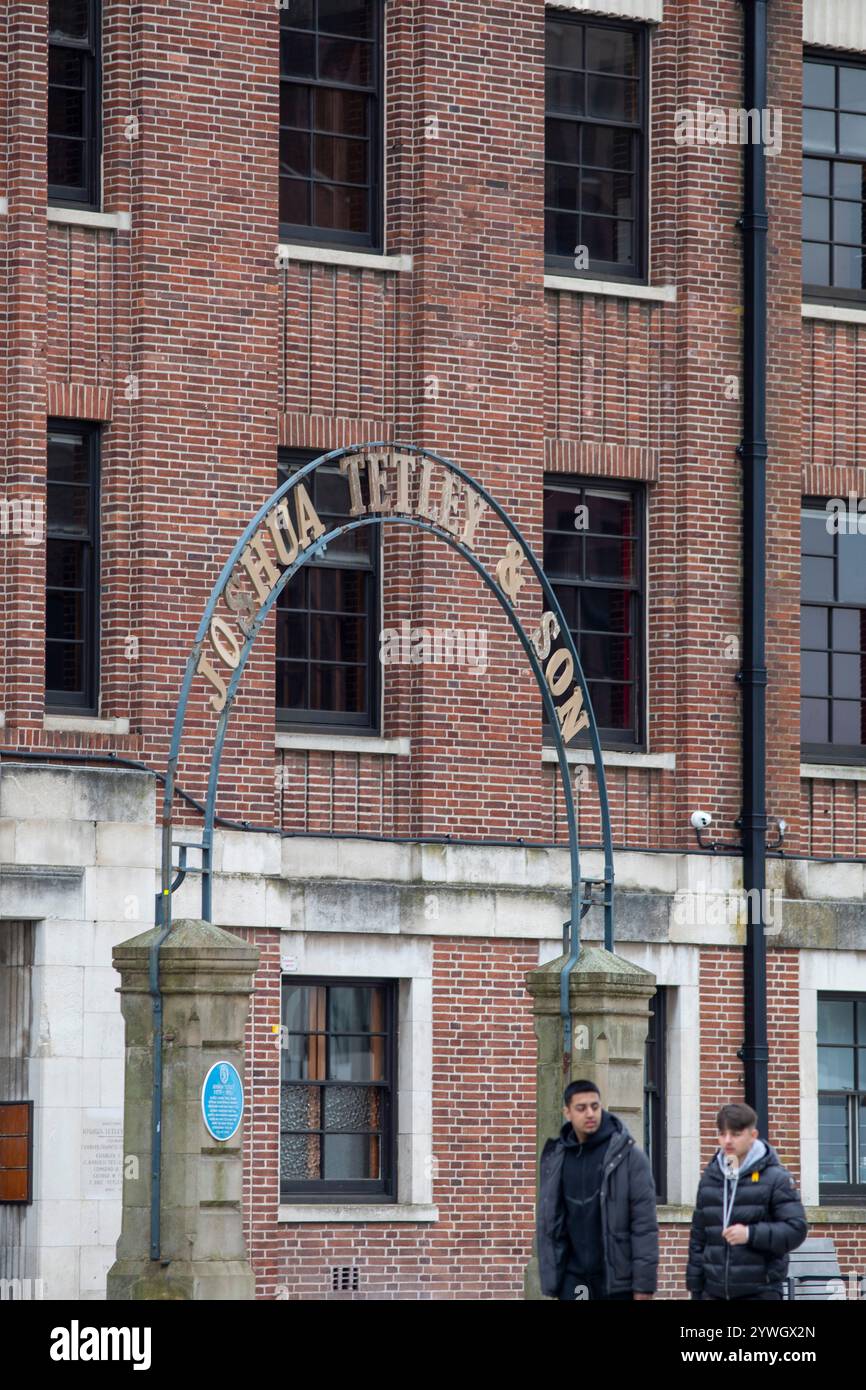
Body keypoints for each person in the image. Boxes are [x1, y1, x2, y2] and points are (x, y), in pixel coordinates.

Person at [536, 1079, 658, 1301]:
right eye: (581, 1108)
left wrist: (644, 1285)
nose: (590, 1113)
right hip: (574, 1278)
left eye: (595, 1106)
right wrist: (553, 1280)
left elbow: (644, 1225)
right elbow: (550, 1222)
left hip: (615, 1280)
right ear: (567, 1112)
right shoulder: (557, 1158)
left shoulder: (629, 1157)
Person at [686, 1102, 808, 1301]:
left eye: (735, 1134)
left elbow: (796, 1229)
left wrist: (750, 1234)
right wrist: (695, 1289)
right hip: (712, 1292)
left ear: (752, 1136)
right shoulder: (711, 1178)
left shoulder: (776, 1178)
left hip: (760, 1291)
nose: (727, 1141)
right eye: (722, 1134)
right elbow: (698, 1238)